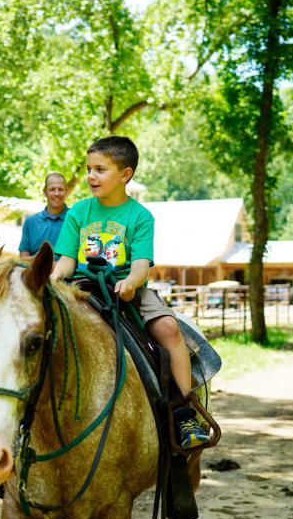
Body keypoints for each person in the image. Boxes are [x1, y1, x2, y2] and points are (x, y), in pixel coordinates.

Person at [50, 135, 209, 450]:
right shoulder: (78, 212)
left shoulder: (139, 216)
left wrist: (132, 283)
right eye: (89, 169)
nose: (91, 176)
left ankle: (184, 413)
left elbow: (141, 265)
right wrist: (52, 280)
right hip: (84, 286)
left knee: (169, 329)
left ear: (125, 174)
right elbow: (67, 261)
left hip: (127, 288)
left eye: (100, 169)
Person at [19, 172, 69, 259]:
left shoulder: (75, 219)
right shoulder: (30, 222)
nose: (56, 194)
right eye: (52, 189)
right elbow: (23, 257)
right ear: (45, 192)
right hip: (34, 270)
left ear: (66, 192)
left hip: (66, 271)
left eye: (60, 189)